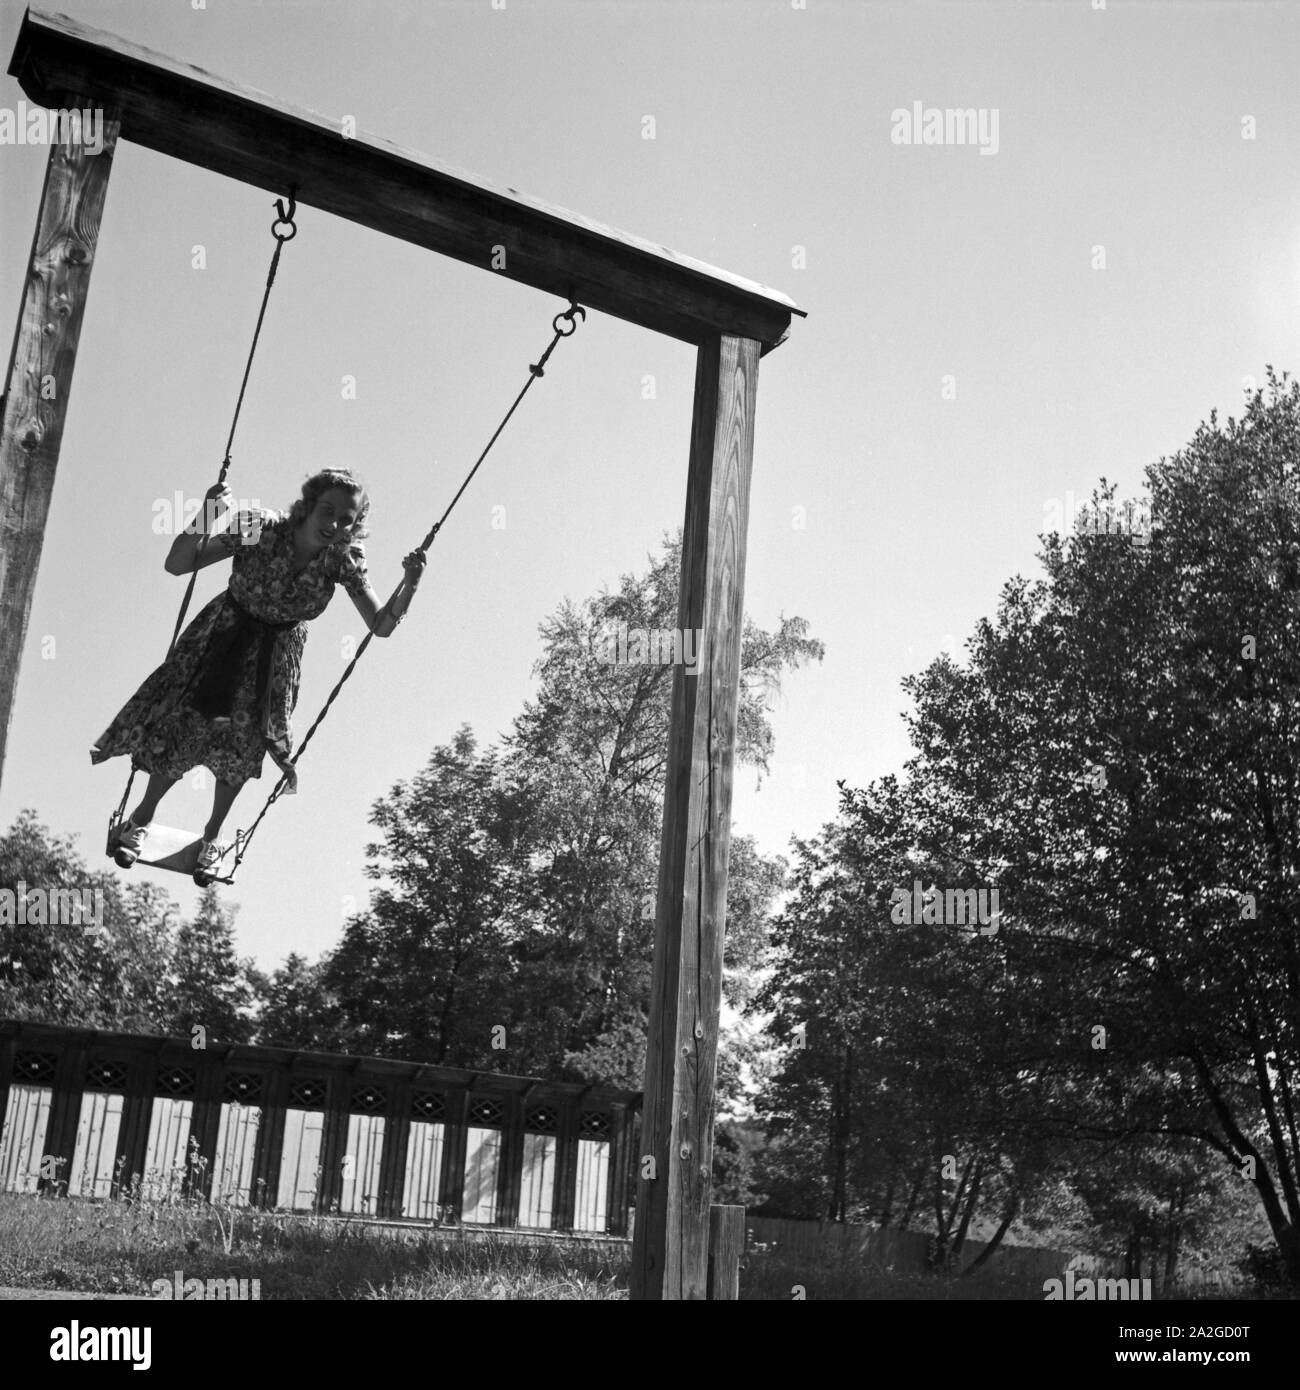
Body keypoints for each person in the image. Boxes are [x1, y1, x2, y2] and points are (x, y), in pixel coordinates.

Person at [91, 468, 425, 885]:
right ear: (307, 505)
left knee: (244, 745)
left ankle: (210, 840)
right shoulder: (259, 527)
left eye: (346, 519)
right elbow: (178, 564)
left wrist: (409, 585)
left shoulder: (342, 560)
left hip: (273, 661)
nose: (335, 524)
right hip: (221, 637)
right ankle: (140, 819)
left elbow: (381, 625)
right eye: (328, 510)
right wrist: (208, 512)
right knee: (184, 726)